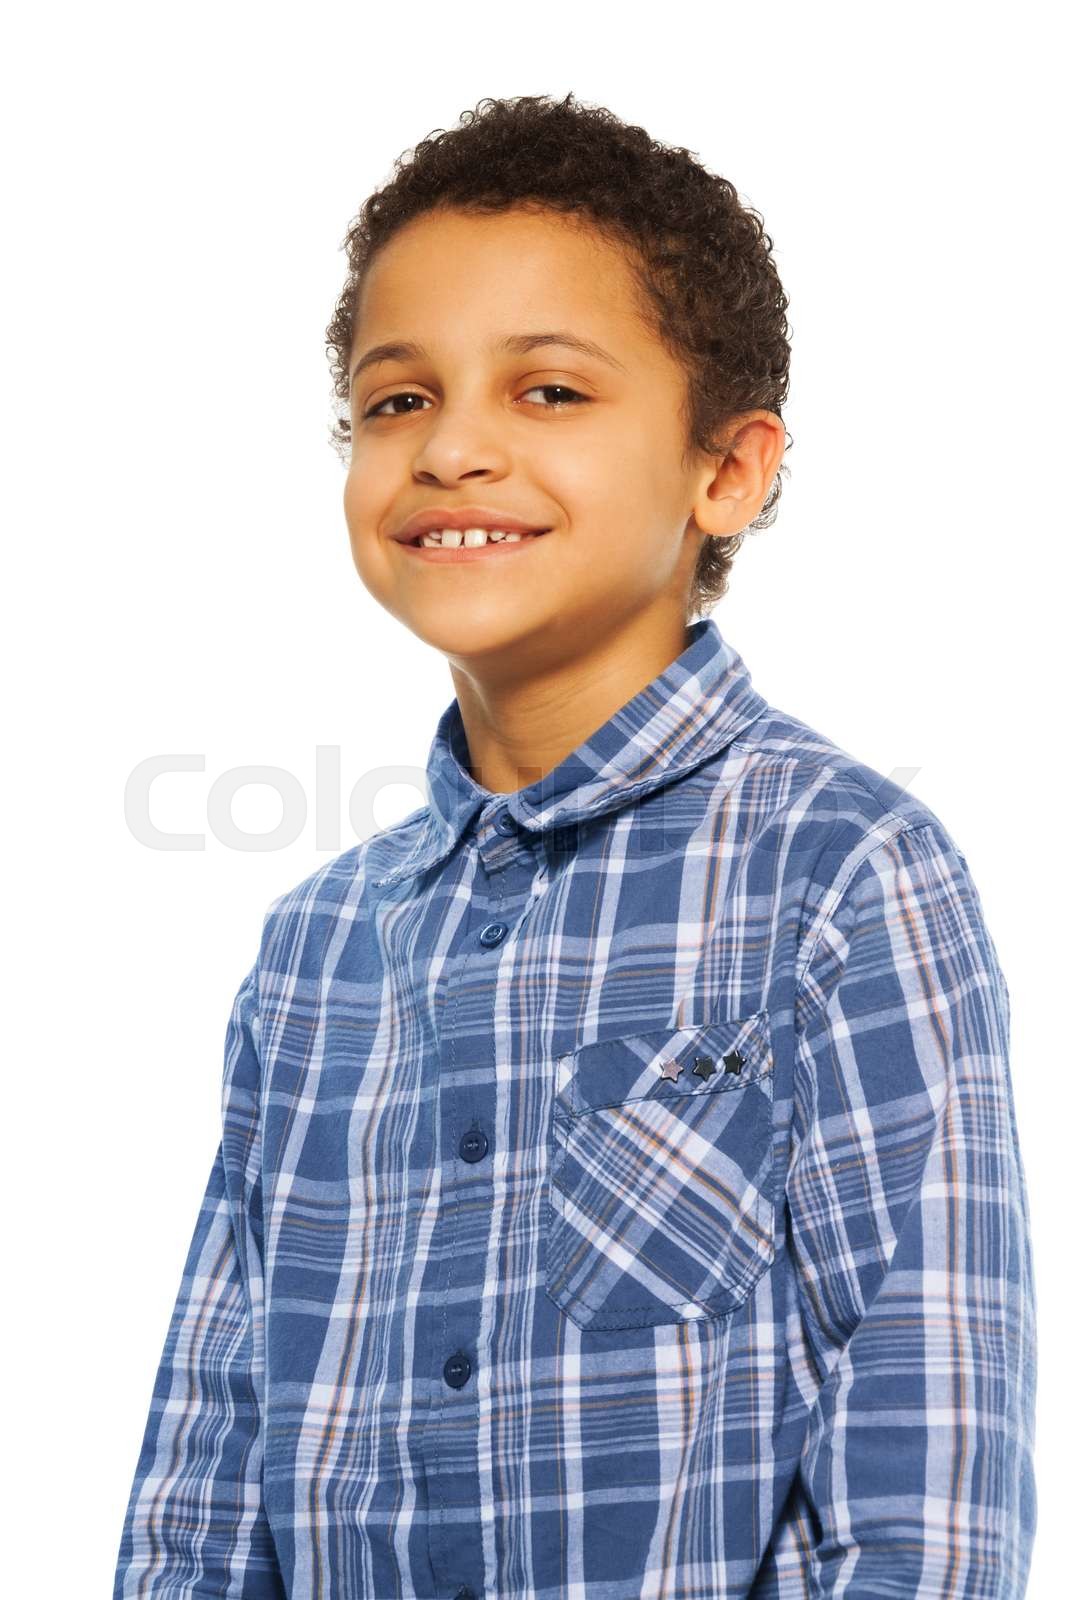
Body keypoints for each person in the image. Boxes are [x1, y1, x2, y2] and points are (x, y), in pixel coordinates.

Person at [113, 92, 1037, 1599]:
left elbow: (927, 1461)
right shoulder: (317, 950)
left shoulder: (843, 871)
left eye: (547, 393)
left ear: (725, 471)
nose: (453, 448)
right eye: (396, 400)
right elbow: (207, 1469)